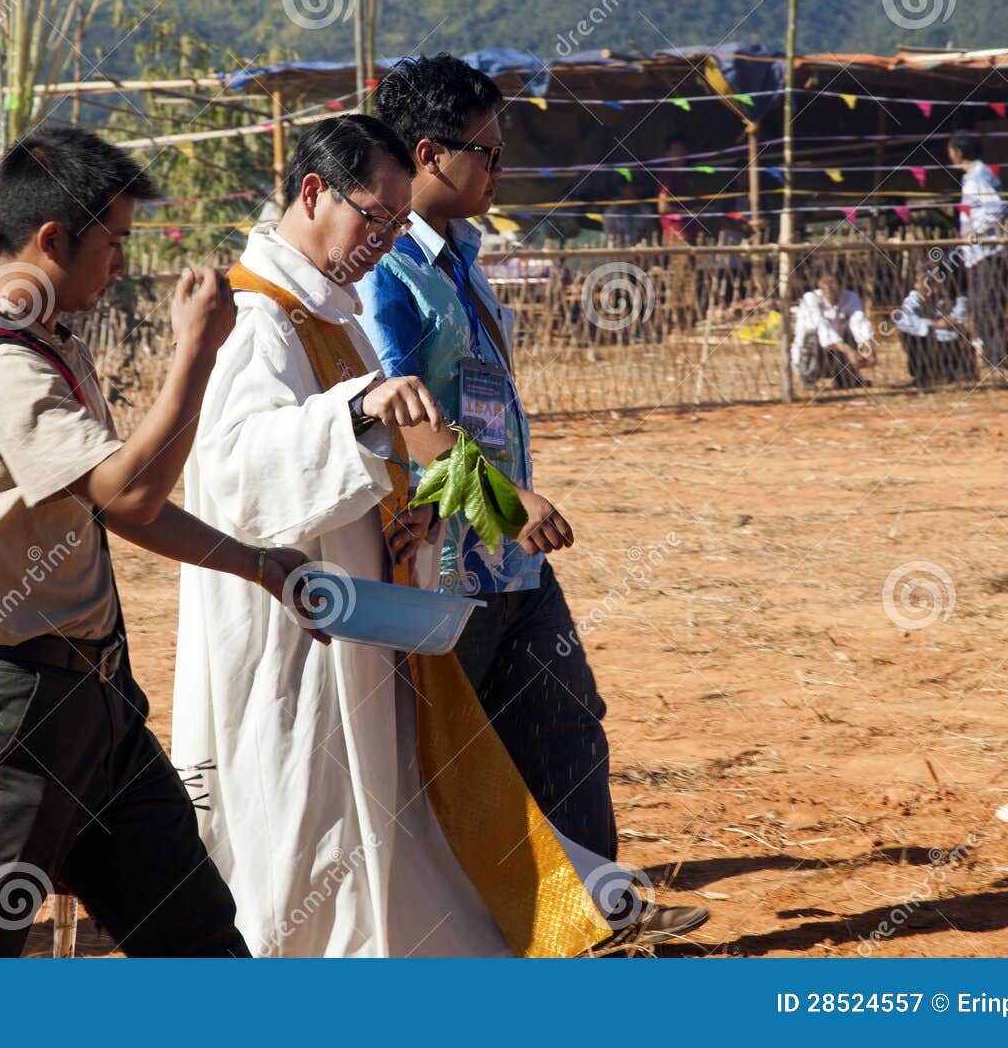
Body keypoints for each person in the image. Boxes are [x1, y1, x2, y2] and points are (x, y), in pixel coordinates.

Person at [174, 115, 656, 958]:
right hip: (292, 642)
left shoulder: (336, 314)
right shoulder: (256, 321)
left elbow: (380, 455)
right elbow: (235, 477)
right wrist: (354, 410)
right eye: (375, 217)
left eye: (399, 223)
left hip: (364, 620)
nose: (383, 240)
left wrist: (415, 509)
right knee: (305, 823)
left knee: (387, 827)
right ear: (314, 193)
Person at [0, 127, 308, 957]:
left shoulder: (51, 347)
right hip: (17, 707)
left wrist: (258, 565)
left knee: (193, 931)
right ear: (55, 238)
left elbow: (123, 505)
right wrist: (197, 348)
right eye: (113, 240)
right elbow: (133, 488)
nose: (120, 261)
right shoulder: (5, 365)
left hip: (96, 701)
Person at [358, 57, 704, 948]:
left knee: (564, 728)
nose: (497, 171)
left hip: (512, 559)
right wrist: (507, 502)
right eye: (486, 154)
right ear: (427, 153)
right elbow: (403, 420)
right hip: (439, 567)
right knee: (455, 764)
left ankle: (604, 918)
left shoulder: (465, 260)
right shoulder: (383, 277)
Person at [948, 133, 1008, 373]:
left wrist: (976, 231)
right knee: (978, 306)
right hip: (975, 253)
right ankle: (992, 357)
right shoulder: (971, 177)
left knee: (987, 304)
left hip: (986, 251)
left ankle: (999, 359)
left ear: (959, 152)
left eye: (951, 150)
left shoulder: (979, 175)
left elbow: (996, 208)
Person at [791, 270, 876, 389]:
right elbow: (821, 328)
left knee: (850, 333)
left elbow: (859, 322)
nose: (827, 287)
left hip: (836, 355)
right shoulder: (811, 298)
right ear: (819, 284)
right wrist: (848, 351)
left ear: (841, 284)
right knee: (812, 336)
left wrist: (867, 348)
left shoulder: (850, 297)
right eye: (823, 282)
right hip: (811, 356)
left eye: (831, 282)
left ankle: (847, 378)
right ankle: (808, 380)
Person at [893, 271, 975, 387]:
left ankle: (954, 373)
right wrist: (932, 324)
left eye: (918, 282)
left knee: (963, 336)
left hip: (951, 344)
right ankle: (924, 374)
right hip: (928, 343)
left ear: (932, 287)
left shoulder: (958, 298)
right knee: (908, 334)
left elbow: (959, 319)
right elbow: (902, 321)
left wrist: (927, 326)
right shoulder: (914, 297)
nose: (915, 286)